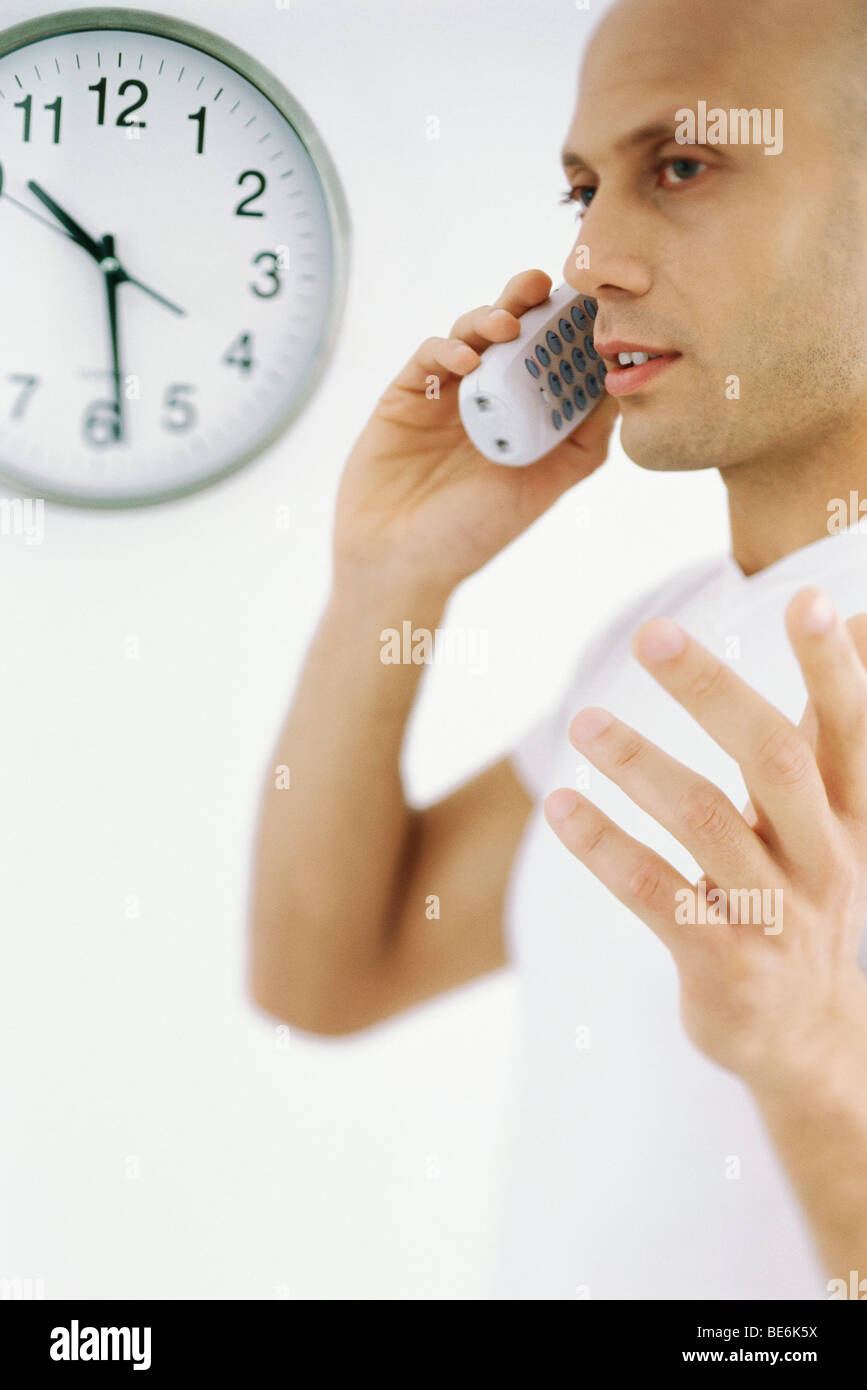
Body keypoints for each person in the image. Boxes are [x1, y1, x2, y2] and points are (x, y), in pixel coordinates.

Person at [248, 0, 867, 1299]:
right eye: (584, 187)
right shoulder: (676, 637)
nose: (591, 260)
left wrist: (810, 1053)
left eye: (681, 166)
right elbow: (330, 969)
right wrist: (387, 582)